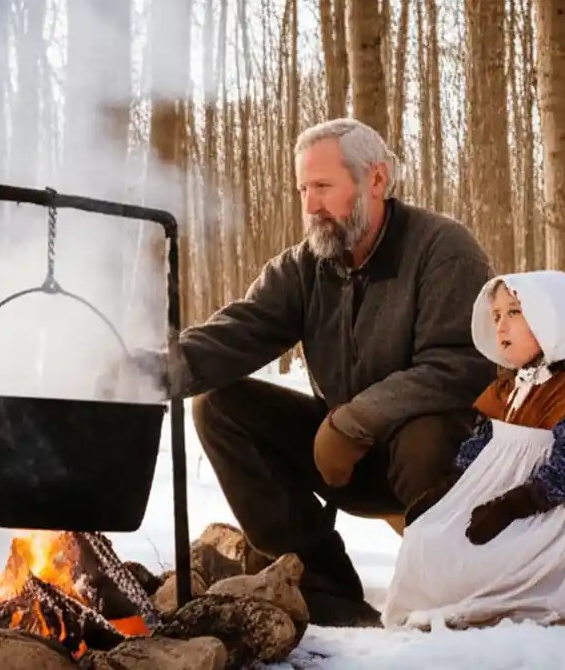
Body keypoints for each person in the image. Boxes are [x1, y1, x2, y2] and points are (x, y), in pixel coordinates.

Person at [107, 118, 498, 627]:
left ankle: (447, 594)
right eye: (302, 189)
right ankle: (321, 588)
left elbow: (460, 367)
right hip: (337, 456)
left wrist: (356, 420)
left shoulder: (443, 249)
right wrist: (140, 372)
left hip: (433, 462)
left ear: (375, 181)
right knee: (220, 408)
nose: (310, 205)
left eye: (323, 187)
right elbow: (236, 332)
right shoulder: (304, 266)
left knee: (426, 434)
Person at [382, 270, 565, 630]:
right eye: (496, 315)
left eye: (514, 312)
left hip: (545, 515)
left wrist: (513, 507)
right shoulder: (510, 387)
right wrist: (447, 488)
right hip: (493, 499)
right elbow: (481, 444)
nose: (501, 327)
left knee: (474, 562)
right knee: (427, 538)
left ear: (554, 318)